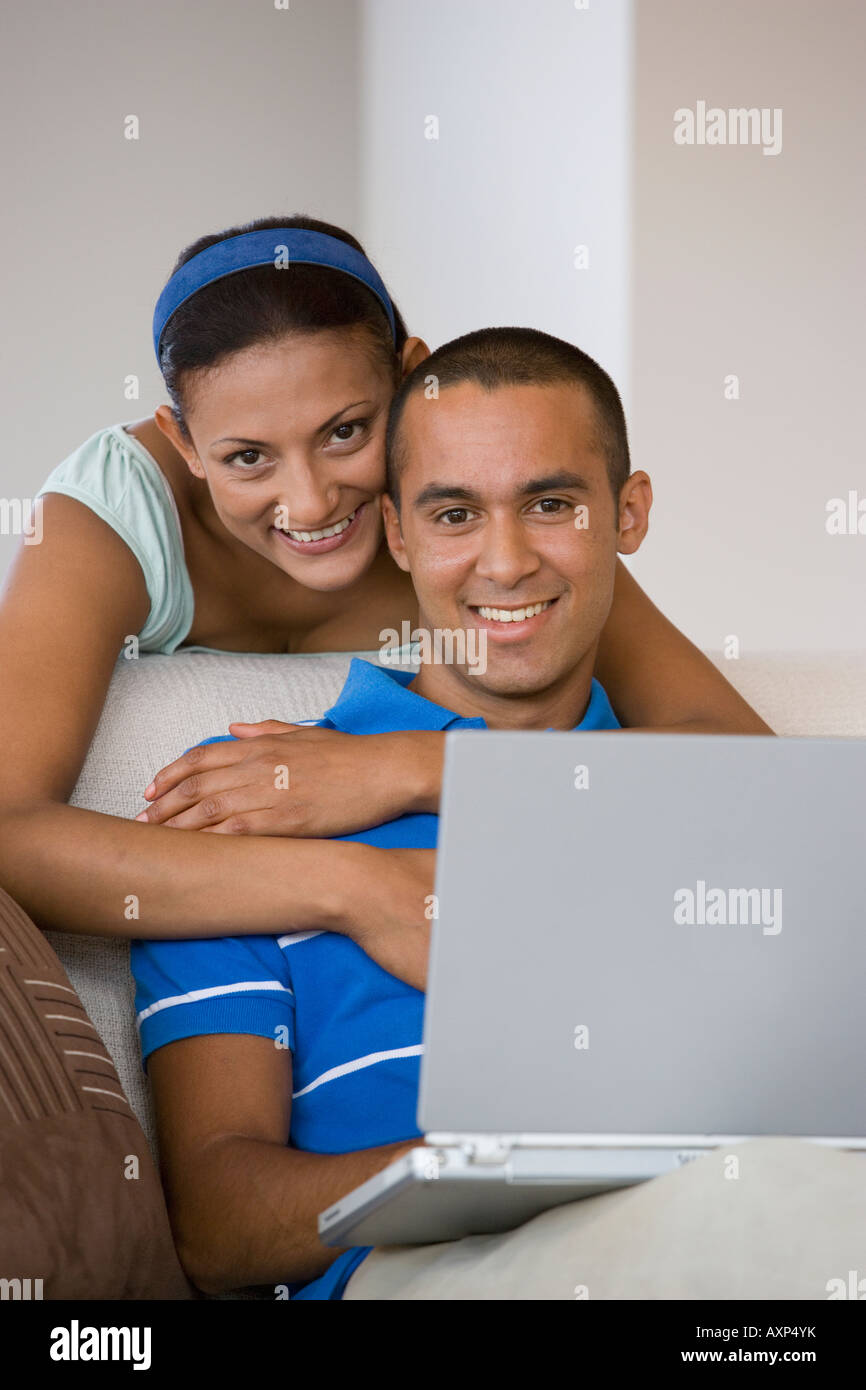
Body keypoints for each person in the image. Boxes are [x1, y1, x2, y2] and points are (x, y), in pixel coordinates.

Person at [131, 329, 863, 1302]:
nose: (505, 561)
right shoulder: (251, 799)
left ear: (627, 514)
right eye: (452, 513)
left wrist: (435, 767)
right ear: (395, 534)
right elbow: (221, 1229)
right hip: (429, 1269)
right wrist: (481, 1167)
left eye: (550, 503)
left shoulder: (729, 795)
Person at [0, 217, 770, 964]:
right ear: (182, 441)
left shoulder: (472, 525)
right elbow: (9, 828)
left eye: (346, 432)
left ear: (410, 379)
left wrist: (399, 767)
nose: (309, 503)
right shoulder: (111, 515)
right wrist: (360, 885)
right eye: (246, 458)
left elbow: (748, 768)